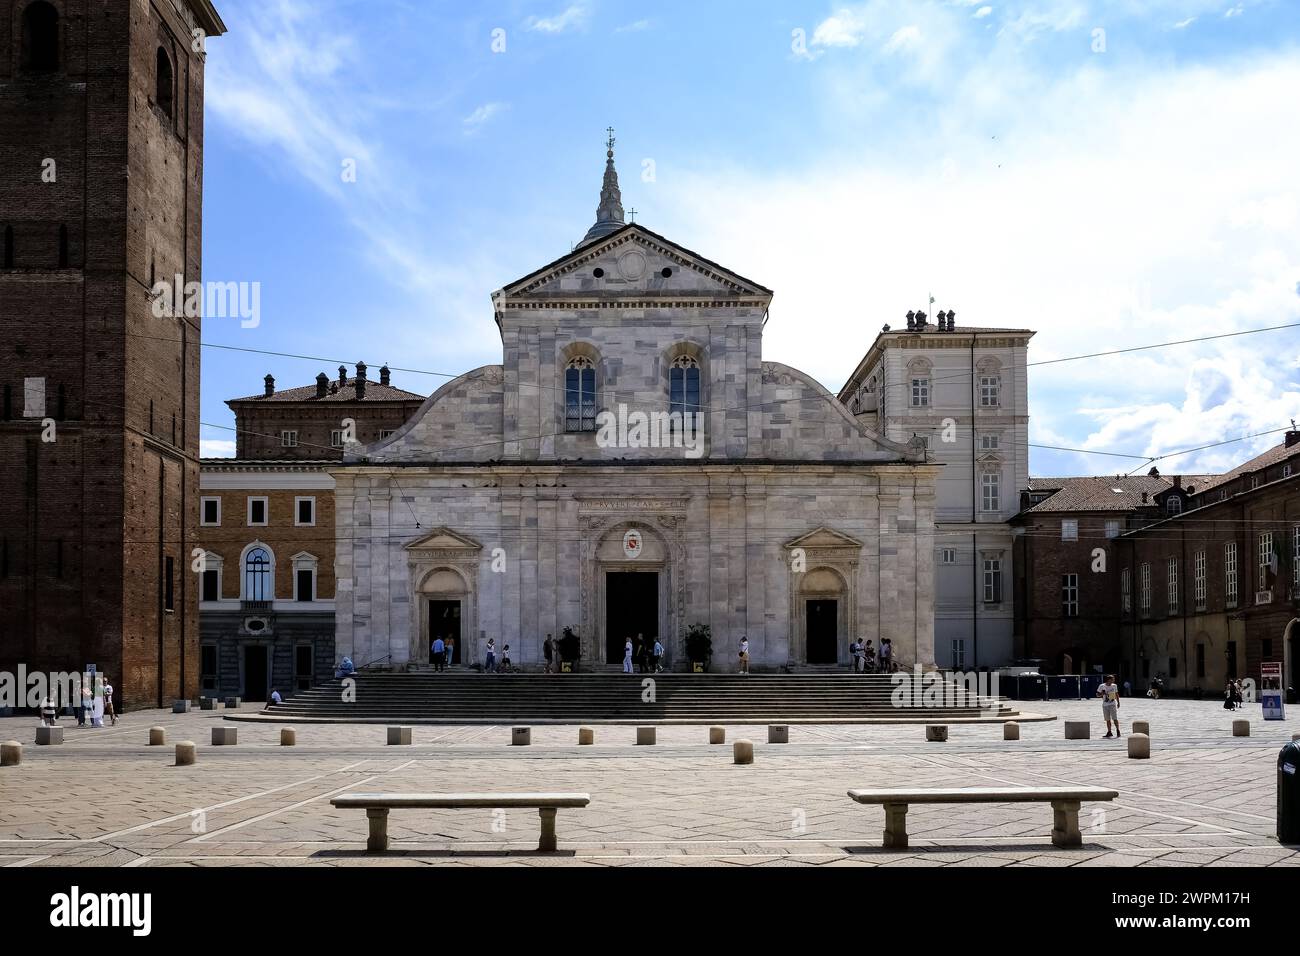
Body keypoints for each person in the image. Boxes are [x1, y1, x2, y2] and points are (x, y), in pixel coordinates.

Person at [1098, 673, 1121, 738]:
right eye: (1112, 679)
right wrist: (1102, 694)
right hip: (1105, 705)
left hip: (1112, 704)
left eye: (1113, 679)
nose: (1113, 681)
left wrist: (1118, 702)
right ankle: (1109, 732)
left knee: (1115, 718)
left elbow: (1116, 694)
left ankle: (1118, 730)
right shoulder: (1102, 686)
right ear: (1108, 680)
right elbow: (1097, 694)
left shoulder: (1114, 686)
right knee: (1107, 719)